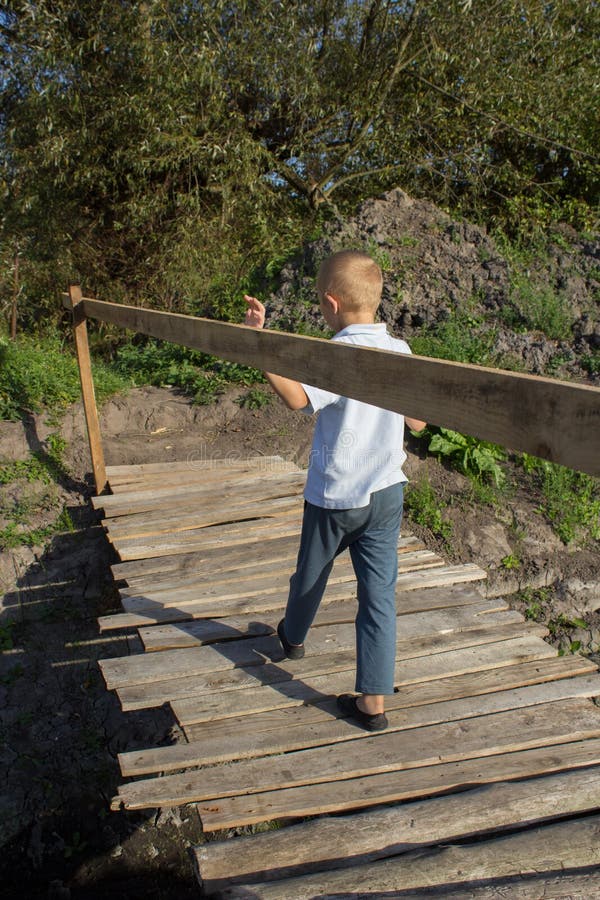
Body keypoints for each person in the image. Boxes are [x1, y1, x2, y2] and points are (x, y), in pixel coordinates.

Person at [244, 249, 426, 731]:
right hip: (387, 492)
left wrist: (258, 344)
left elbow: (297, 398)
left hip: (335, 495)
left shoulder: (338, 353)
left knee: (311, 572)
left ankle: (293, 639)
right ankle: (373, 704)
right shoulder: (401, 351)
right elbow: (419, 419)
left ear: (330, 303)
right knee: (379, 596)